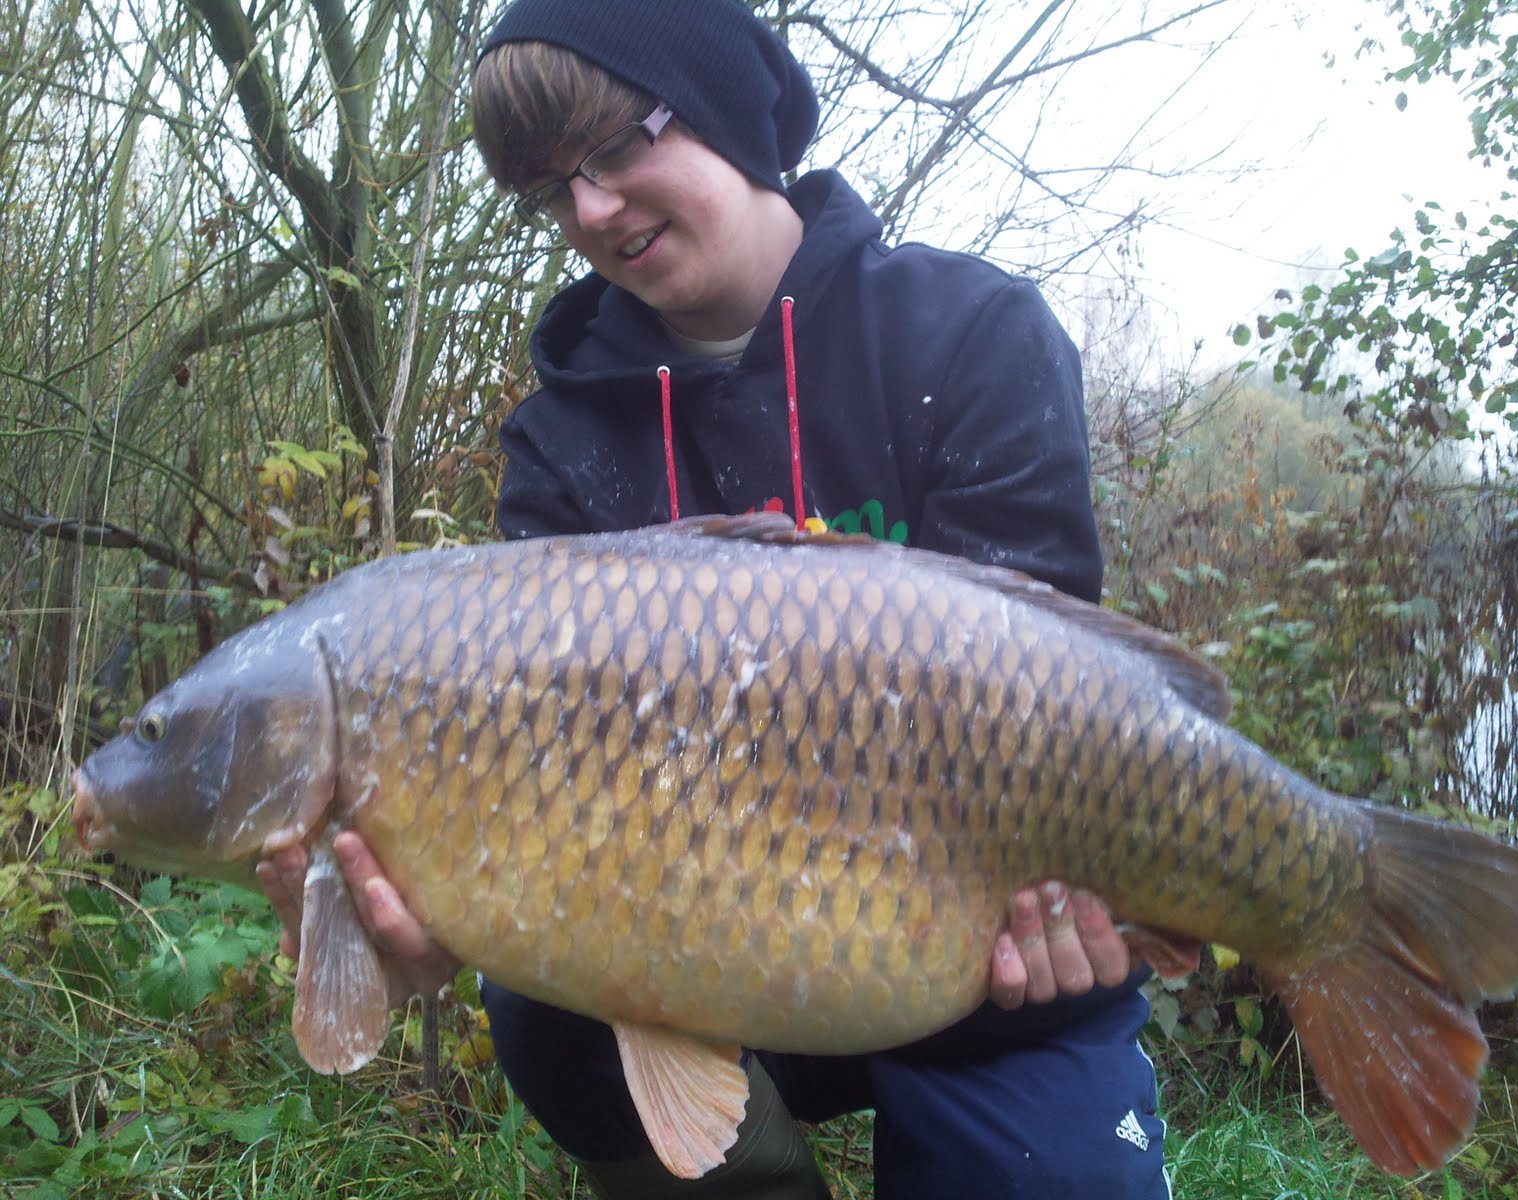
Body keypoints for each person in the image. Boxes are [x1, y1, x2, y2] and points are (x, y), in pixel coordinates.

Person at [261, 0, 1188, 1195]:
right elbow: (518, 799)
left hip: (983, 970)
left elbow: (1058, 700)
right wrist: (435, 903)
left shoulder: (970, 335)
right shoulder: (561, 443)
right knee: (540, 1004)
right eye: (550, 190)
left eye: (615, 149)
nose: (589, 211)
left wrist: (1081, 901)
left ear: (728, 115)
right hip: (707, 968)